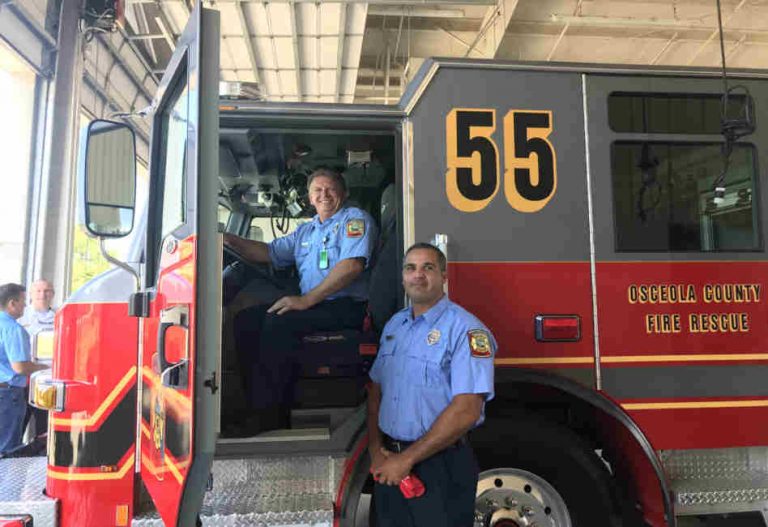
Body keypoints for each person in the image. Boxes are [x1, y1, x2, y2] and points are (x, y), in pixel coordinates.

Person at [224, 168, 377, 431]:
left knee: (278, 323)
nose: (324, 195)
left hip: (346, 307)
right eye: (317, 190)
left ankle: (269, 417)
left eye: (330, 188)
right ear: (309, 198)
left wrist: (305, 300)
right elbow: (269, 252)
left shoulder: (354, 219)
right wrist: (227, 239)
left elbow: (352, 266)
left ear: (344, 193)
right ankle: (254, 404)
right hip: (317, 304)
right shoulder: (307, 230)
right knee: (246, 321)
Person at [367, 243, 496, 527]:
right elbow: (376, 389)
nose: (418, 275)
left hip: (441, 465)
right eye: (411, 268)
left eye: (428, 268)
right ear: (402, 277)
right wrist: (376, 452)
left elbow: (467, 410)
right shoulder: (394, 326)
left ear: (444, 277)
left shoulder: (466, 330)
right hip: (390, 462)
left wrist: (407, 459)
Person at [0, 283, 49, 454]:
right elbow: (20, 367)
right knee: (7, 448)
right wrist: (46, 367)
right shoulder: (13, 329)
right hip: (8, 395)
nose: (25, 305)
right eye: (22, 301)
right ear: (12, 303)